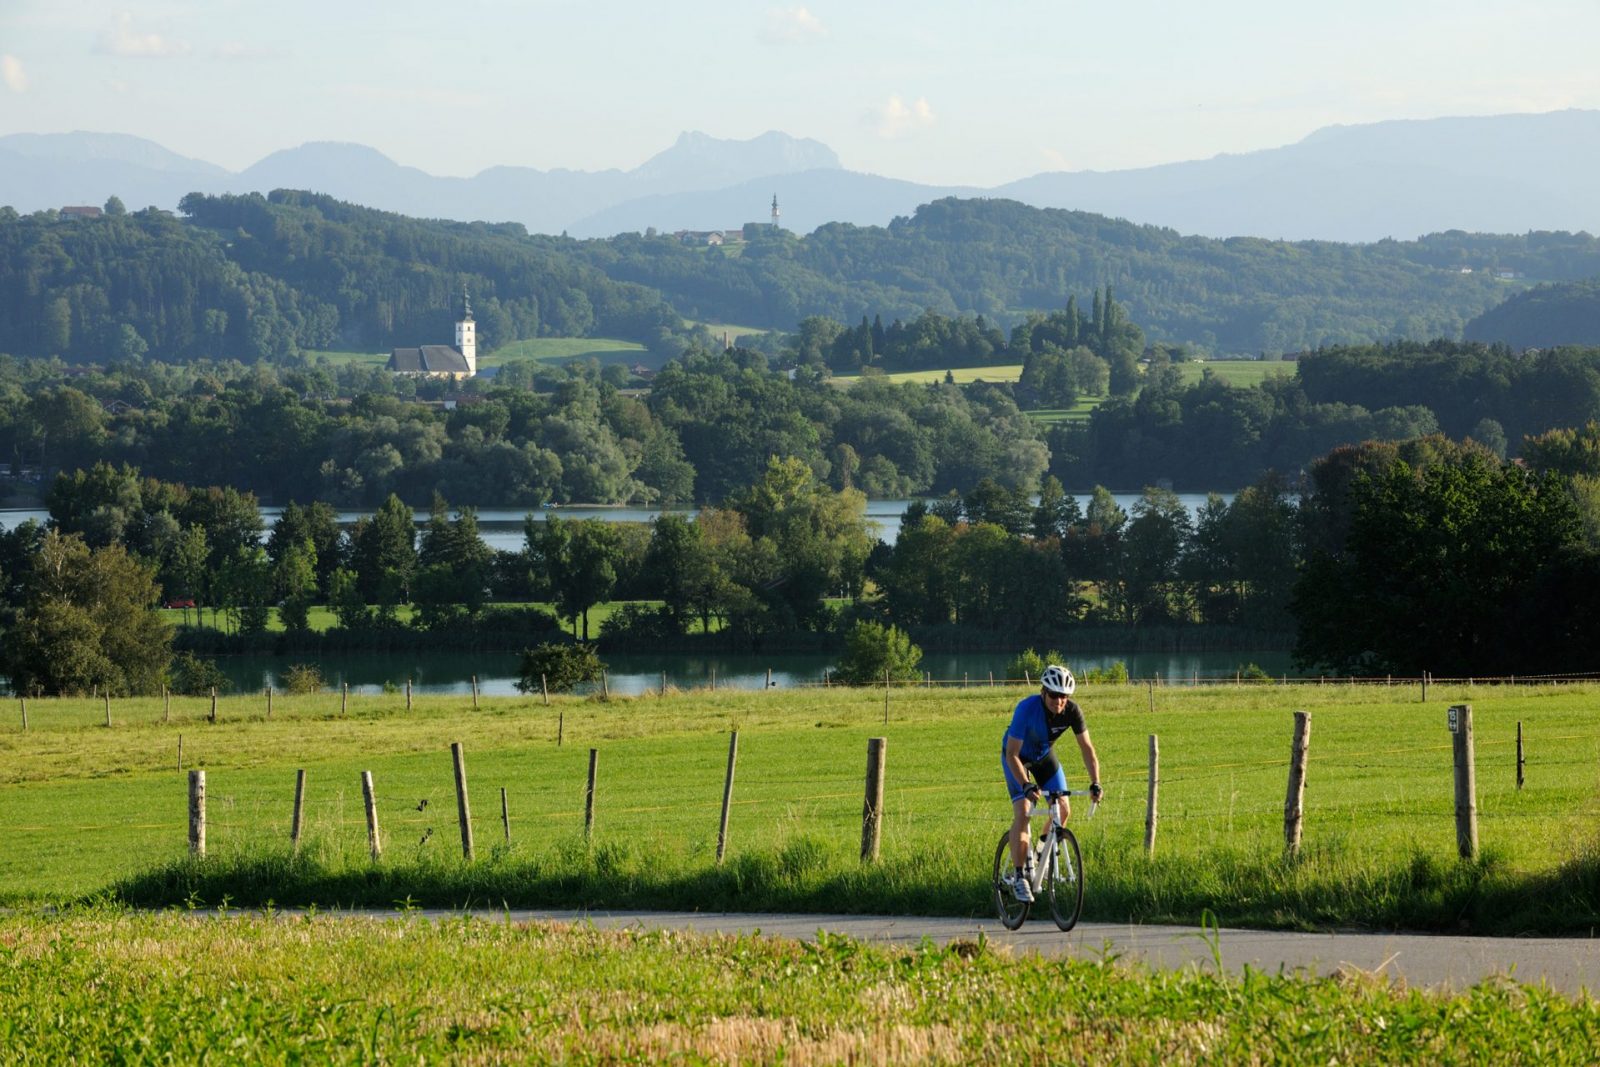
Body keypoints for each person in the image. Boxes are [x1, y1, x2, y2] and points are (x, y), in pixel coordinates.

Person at [1000, 664, 1103, 903]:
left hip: (1043, 756)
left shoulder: (1072, 711)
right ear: (1043, 692)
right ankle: (1018, 876)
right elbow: (1012, 754)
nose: (1059, 701)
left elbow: (1087, 749)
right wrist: (1026, 785)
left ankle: (1038, 855)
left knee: (1063, 808)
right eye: (1054, 695)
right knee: (1024, 812)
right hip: (1017, 757)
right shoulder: (1026, 709)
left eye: (1064, 696)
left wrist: (1096, 782)